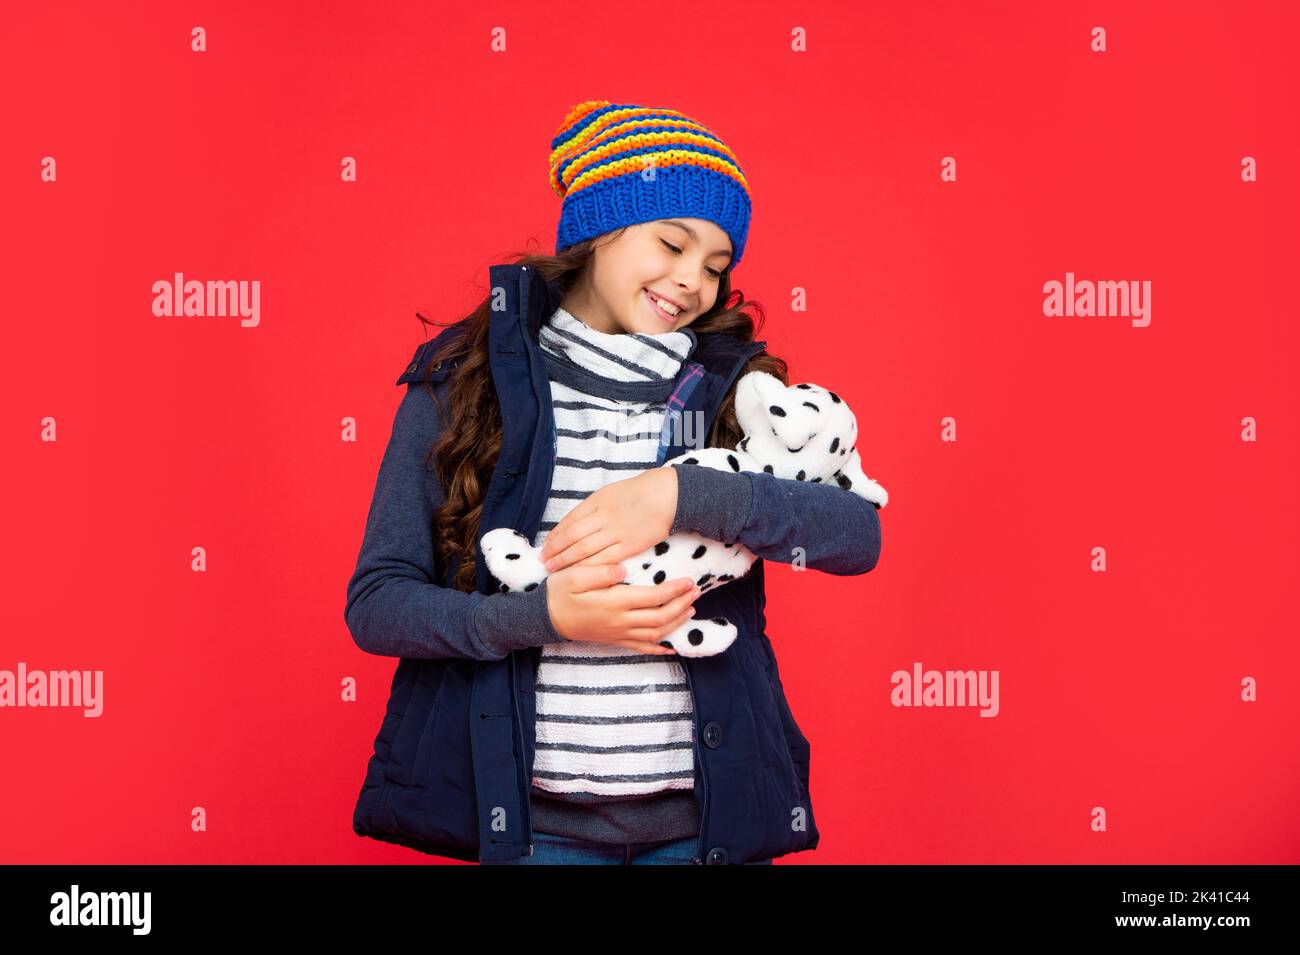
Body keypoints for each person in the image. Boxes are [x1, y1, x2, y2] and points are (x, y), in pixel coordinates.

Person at [345, 100, 883, 865]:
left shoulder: (730, 387)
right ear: (596, 227)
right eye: (672, 242)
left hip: (705, 829)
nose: (692, 280)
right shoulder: (464, 382)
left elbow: (858, 535)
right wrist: (543, 616)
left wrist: (679, 494)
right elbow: (377, 605)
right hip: (536, 833)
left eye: (717, 264)